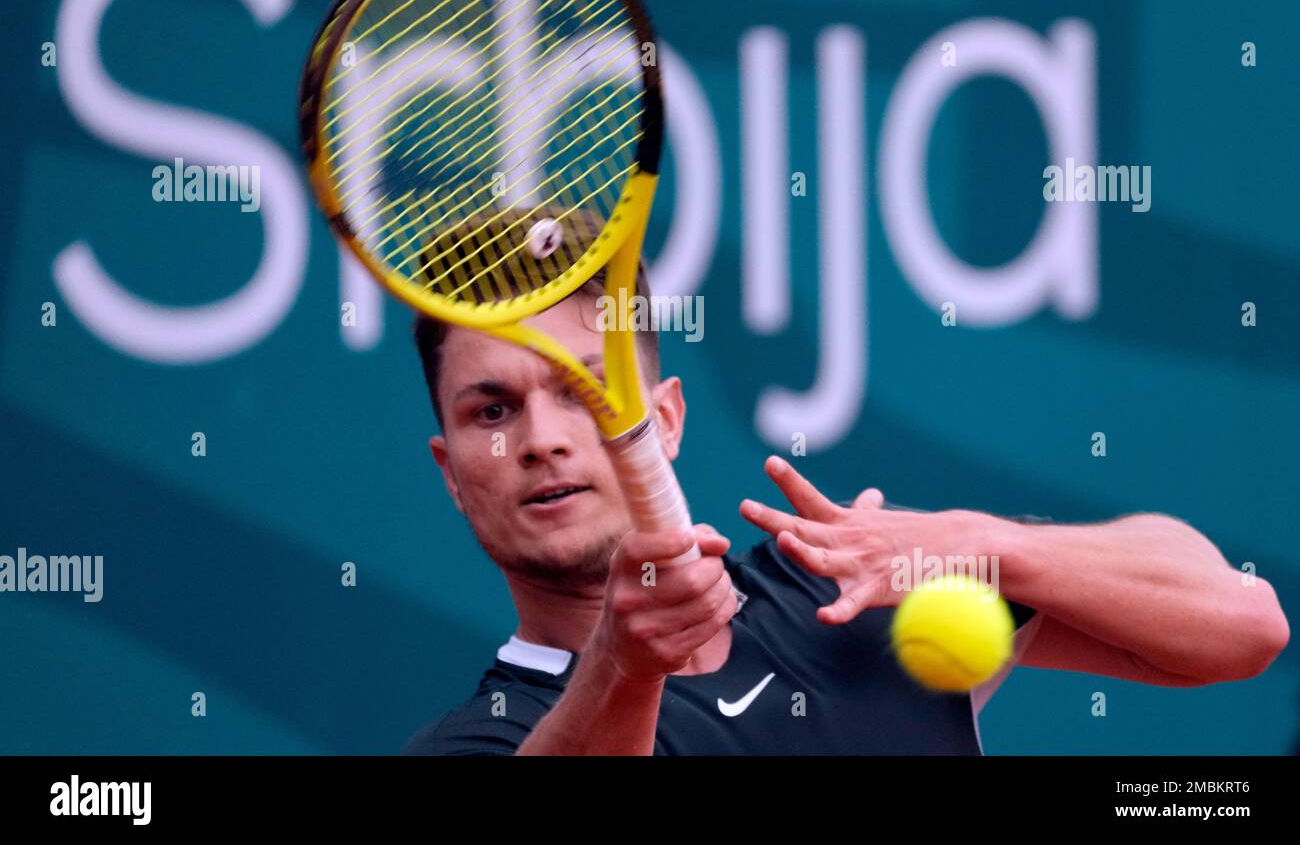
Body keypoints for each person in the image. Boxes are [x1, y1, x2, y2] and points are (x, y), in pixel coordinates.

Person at [401, 263, 1289, 755]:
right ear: (451, 470)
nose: (543, 439)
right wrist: (622, 668)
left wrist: (981, 545)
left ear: (663, 417)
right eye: (492, 410)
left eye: (585, 389)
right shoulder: (479, 746)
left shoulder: (843, 591)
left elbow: (1244, 626)